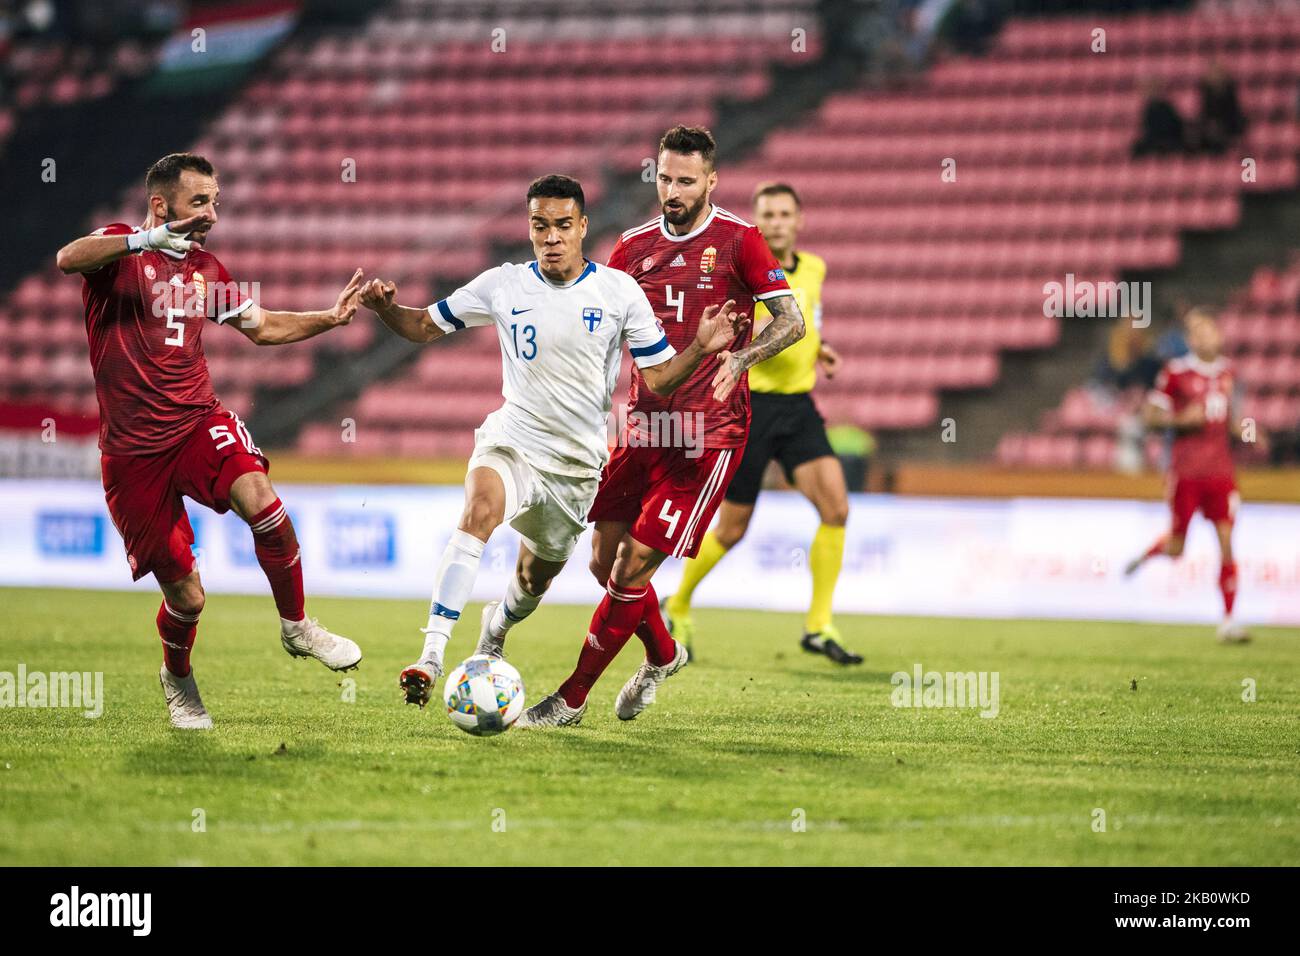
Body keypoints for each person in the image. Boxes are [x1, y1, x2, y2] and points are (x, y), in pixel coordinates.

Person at [356, 174, 747, 708]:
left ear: (583, 227)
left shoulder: (617, 292)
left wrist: (701, 347)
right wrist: (385, 310)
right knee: (479, 512)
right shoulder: (503, 284)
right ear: (530, 228)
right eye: (541, 226)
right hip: (512, 441)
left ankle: (495, 633)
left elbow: (658, 379)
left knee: (532, 579)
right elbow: (424, 325)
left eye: (563, 225)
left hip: (577, 470)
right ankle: (430, 655)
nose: (552, 237)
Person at [55, 152, 364, 729]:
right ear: (160, 205)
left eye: (215, 202)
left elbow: (263, 327)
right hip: (131, 453)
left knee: (262, 500)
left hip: (197, 422)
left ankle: (297, 625)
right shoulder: (121, 245)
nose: (211, 214)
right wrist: (144, 241)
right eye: (200, 202)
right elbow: (68, 257)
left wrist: (329, 317)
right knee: (187, 599)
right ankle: (178, 679)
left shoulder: (207, 270)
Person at [520, 126, 807, 727]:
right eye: (664, 178)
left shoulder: (741, 242)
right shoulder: (631, 248)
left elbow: (792, 319)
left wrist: (743, 356)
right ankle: (663, 654)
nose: (671, 190)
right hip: (643, 430)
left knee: (631, 568)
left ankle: (571, 698)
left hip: (708, 437)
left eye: (685, 180)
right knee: (602, 563)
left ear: (710, 181)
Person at [664, 182, 861, 665]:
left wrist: (821, 348)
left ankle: (818, 625)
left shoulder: (814, 268)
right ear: (756, 223)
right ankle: (680, 601)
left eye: (784, 214)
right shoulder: (741, 275)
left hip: (798, 407)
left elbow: (803, 318)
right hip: (751, 407)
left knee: (836, 508)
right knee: (731, 531)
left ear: (798, 221)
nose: (775, 222)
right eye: (767, 215)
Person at [1123, 310, 1248, 643]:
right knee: (1178, 548)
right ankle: (1149, 554)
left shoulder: (1228, 373)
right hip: (1186, 473)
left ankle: (1228, 621)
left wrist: (1251, 433)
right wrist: (1179, 421)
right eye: (1199, 332)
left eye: (1210, 330)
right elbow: (1149, 418)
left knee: (1226, 542)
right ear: (1191, 341)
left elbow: (1234, 421)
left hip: (1221, 473)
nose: (1206, 337)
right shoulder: (1175, 373)